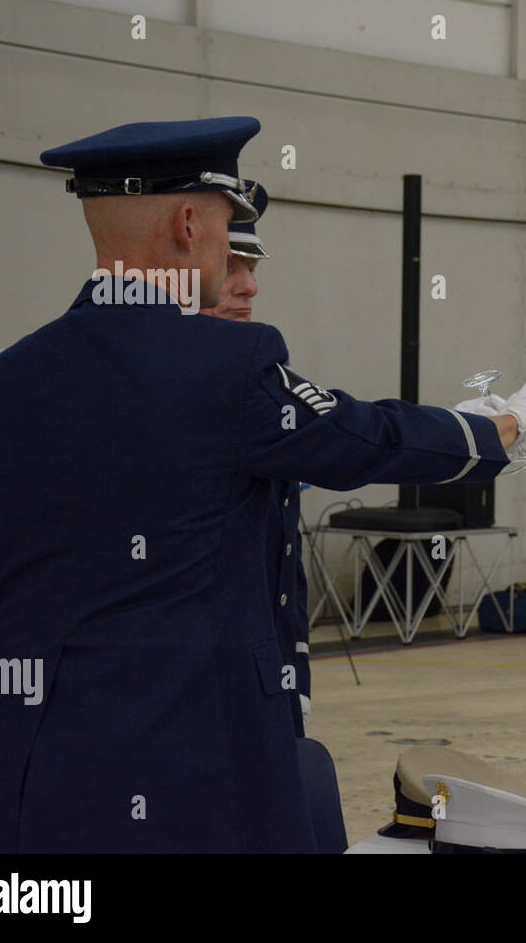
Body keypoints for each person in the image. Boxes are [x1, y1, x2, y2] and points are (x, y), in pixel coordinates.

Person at [0, 116, 526, 852]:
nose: (234, 252)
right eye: (230, 224)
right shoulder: (230, 369)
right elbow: (364, 438)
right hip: (189, 791)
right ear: (189, 222)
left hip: (21, 800)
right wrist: (500, 429)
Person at [199, 182, 310, 736]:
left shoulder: (259, 386)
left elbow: (284, 554)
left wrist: (296, 675)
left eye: (252, 267)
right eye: (229, 266)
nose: (250, 287)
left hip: (263, 679)